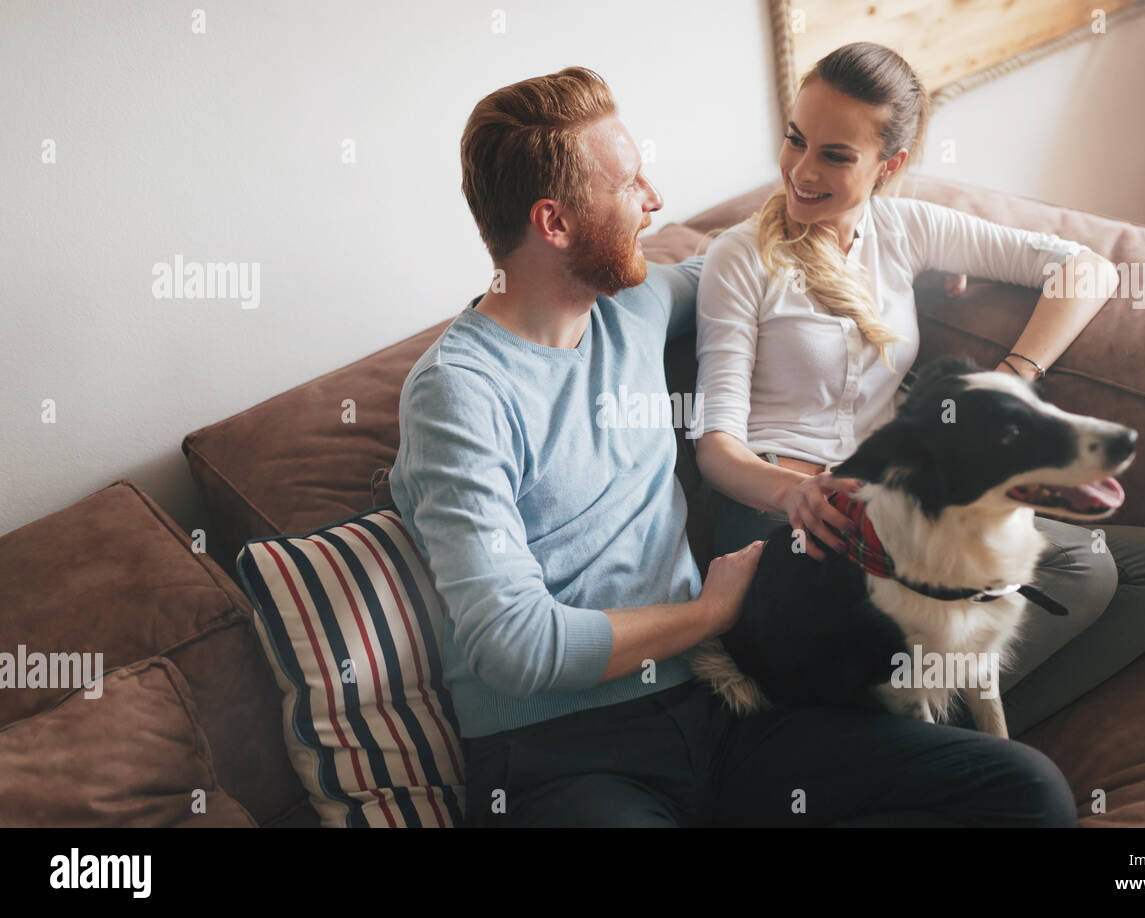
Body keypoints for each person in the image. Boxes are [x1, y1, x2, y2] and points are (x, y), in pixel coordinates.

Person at [390, 64, 1078, 827]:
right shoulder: (458, 393)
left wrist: (899, 248)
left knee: (1027, 793)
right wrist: (710, 614)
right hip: (564, 757)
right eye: (629, 187)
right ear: (554, 224)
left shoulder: (635, 306)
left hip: (718, 721)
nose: (654, 202)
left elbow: (757, 254)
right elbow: (513, 645)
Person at [693, 41, 1145, 738]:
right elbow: (715, 447)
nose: (801, 172)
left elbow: (1087, 270)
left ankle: (935, 744)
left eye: (837, 156)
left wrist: (1014, 374)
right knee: (1082, 567)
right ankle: (939, 741)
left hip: (902, 508)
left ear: (889, 166)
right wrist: (793, 493)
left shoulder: (905, 228)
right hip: (790, 518)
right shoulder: (738, 258)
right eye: (795, 140)